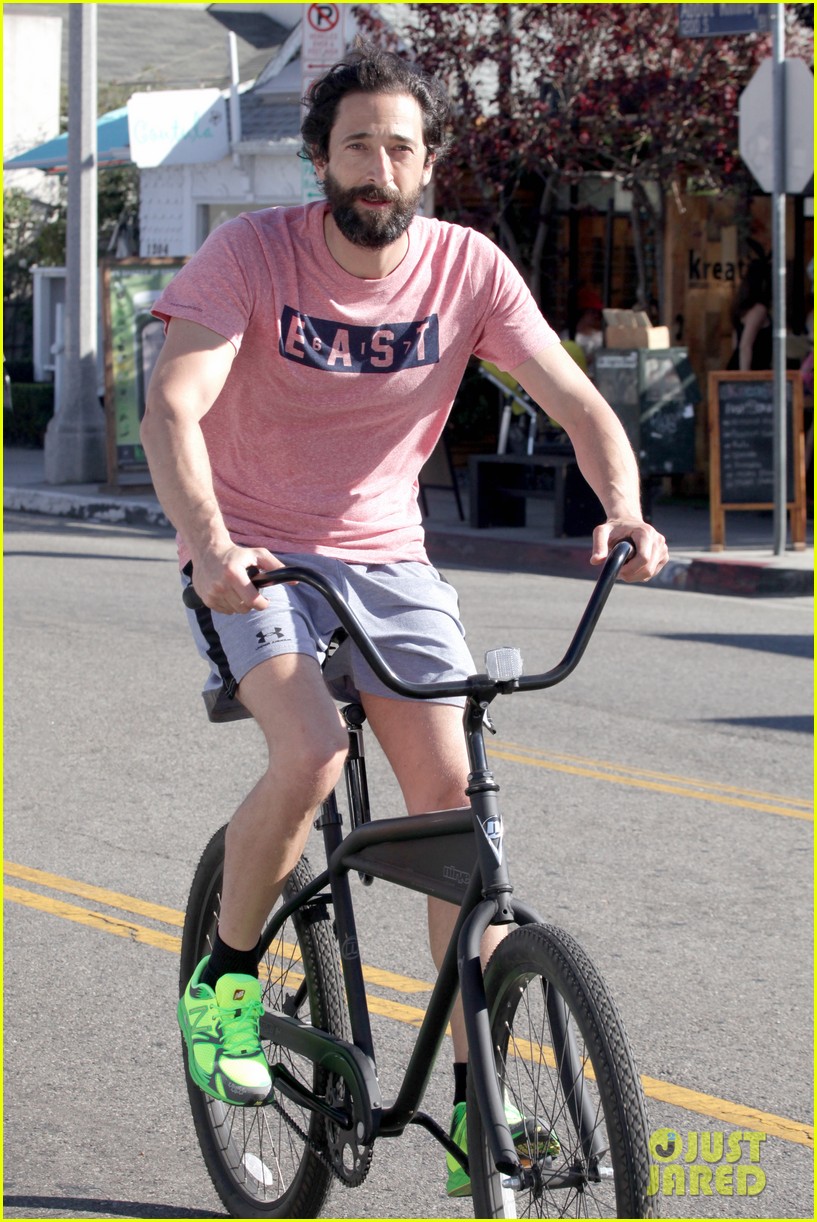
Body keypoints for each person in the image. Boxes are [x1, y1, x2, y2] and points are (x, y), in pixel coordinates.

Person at [141, 43, 668, 1196]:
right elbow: (174, 404)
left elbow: (575, 400)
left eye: (399, 147)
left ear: (428, 164)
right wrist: (217, 547)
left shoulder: (467, 270)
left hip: (389, 556)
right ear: (318, 159)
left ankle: (488, 1095)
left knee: (453, 813)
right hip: (258, 553)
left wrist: (624, 507)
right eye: (356, 146)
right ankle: (226, 987)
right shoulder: (252, 256)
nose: (378, 168)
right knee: (315, 750)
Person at [728, 260, 772, 371]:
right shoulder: (758, 310)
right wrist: (745, 379)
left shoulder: (742, 308)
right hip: (752, 369)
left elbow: (735, 344)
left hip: (739, 367)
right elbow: (745, 346)